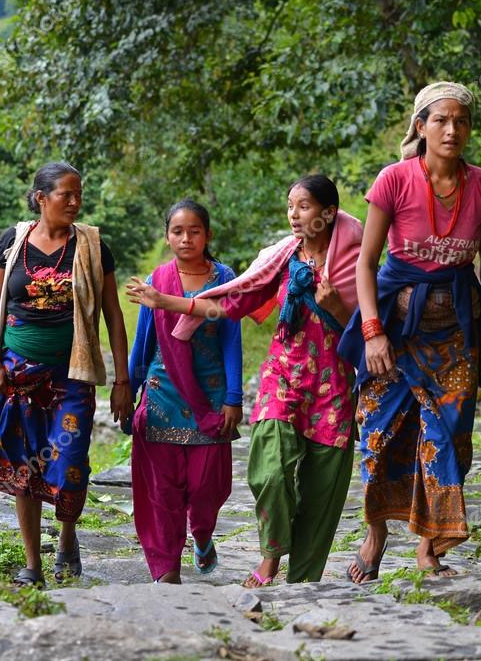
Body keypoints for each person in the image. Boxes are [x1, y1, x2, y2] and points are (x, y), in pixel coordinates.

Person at [127, 175, 364, 588]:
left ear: (328, 213)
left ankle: (302, 579)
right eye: (290, 205)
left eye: (304, 206)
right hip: (284, 376)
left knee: (321, 490)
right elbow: (231, 304)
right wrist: (168, 302)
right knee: (268, 474)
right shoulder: (282, 259)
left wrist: (338, 309)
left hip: (334, 386)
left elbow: (368, 331)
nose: (294, 214)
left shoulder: (355, 262)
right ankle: (271, 557)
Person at [337, 81, 481, 583]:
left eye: (461, 121)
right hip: (392, 327)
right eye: (441, 120)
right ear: (421, 127)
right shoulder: (393, 180)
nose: (452, 129)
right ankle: (376, 533)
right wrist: (372, 333)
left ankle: (429, 547)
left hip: (456, 331)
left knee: (451, 436)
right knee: (378, 432)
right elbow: (366, 264)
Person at [0, 161, 133, 586]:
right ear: (41, 198)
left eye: (79, 195)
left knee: (69, 460)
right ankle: (33, 563)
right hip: (16, 374)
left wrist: (123, 380)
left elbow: (113, 314)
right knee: (23, 466)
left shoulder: (91, 245)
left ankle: (68, 533)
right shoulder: (12, 243)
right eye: (65, 195)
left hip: (71, 375)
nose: (75, 202)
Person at [126, 199, 243, 584]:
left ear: (208, 235)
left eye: (194, 231)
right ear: (167, 236)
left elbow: (230, 338)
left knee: (208, 486)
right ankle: (167, 569)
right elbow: (144, 341)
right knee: (162, 489)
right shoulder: (157, 280)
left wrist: (234, 398)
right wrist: (129, 387)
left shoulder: (224, 278)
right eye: (178, 231)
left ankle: (203, 533)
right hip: (161, 396)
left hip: (210, 399)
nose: (186, 238)